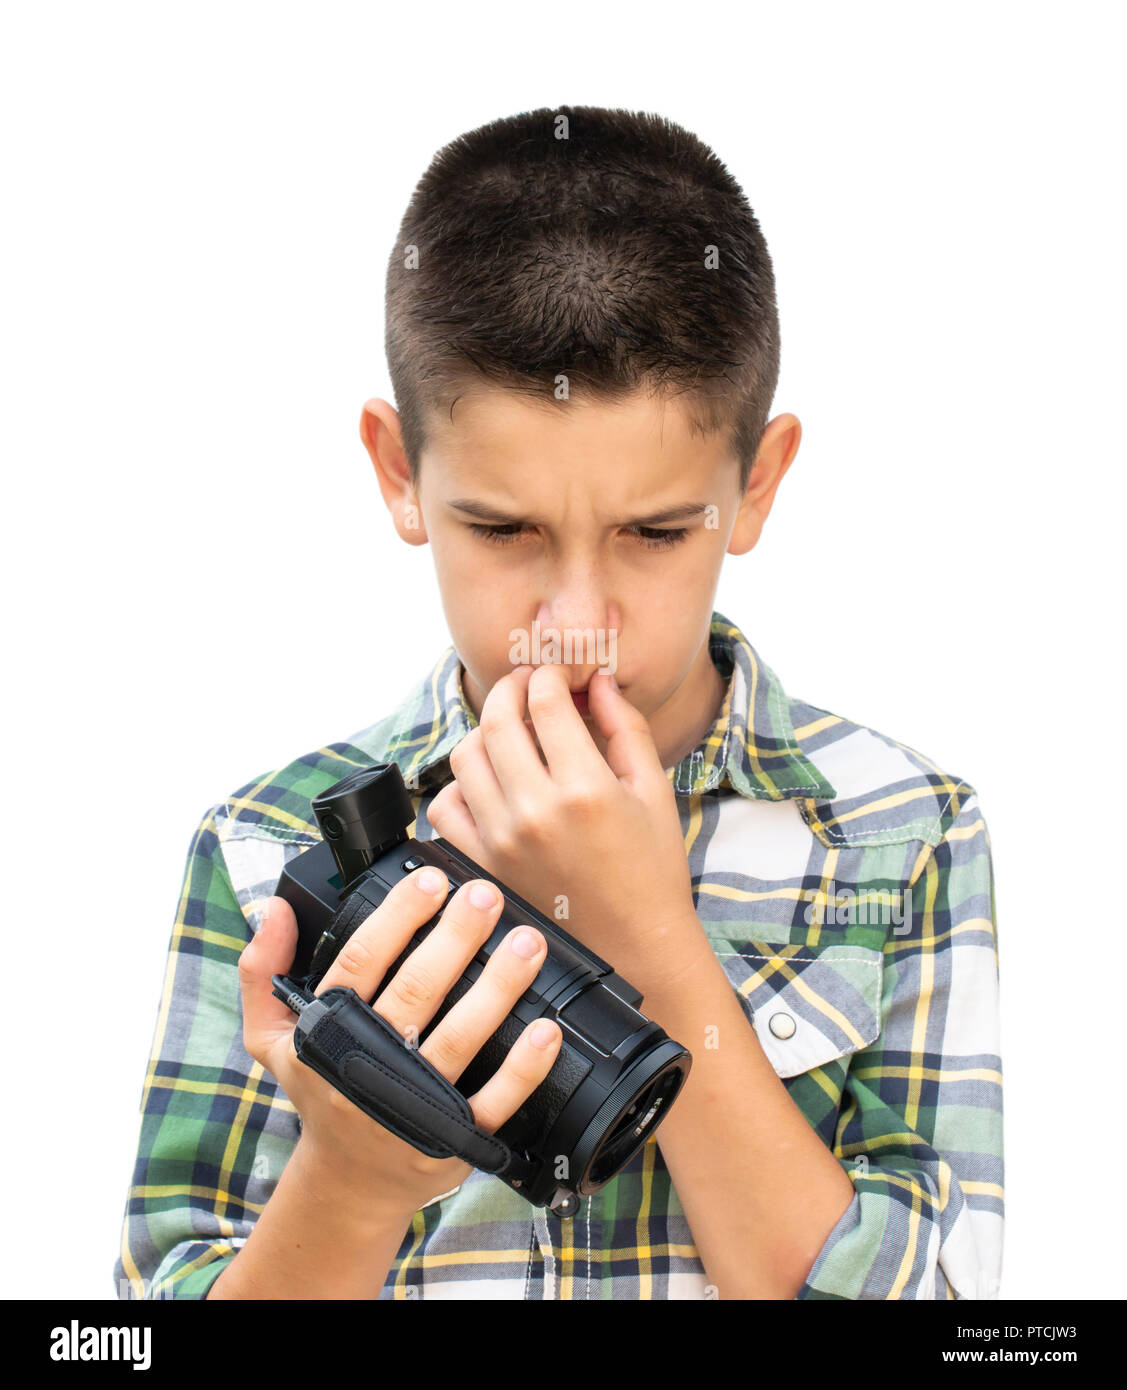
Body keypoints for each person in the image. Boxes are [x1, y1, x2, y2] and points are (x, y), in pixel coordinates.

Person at [113, 105, 1003, 1301]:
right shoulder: (266, 847)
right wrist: (353, 1181)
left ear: (755, 484)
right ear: (397, 471)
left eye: (651, 530)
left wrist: (655, 944)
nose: (574, 619)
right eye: (502, 527)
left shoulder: (904, 834)